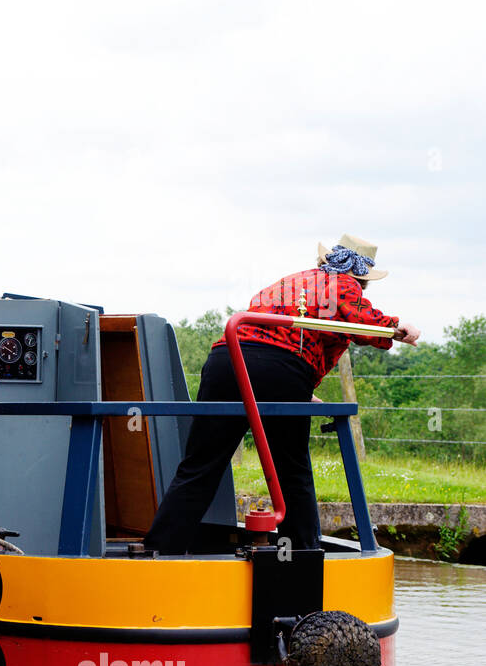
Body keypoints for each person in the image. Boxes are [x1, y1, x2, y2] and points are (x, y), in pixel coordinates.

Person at [143, 234, 421, 555]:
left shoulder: (290, 282)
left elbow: (285, 336)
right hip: (277, 370)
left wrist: (302, 390)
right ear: (361, 277)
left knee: (200, 464)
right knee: (291, 470)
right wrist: (396, 328)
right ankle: (301, 557)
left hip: (226, 362)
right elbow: (356, 318)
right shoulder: (342, 284)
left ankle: (160, 549)